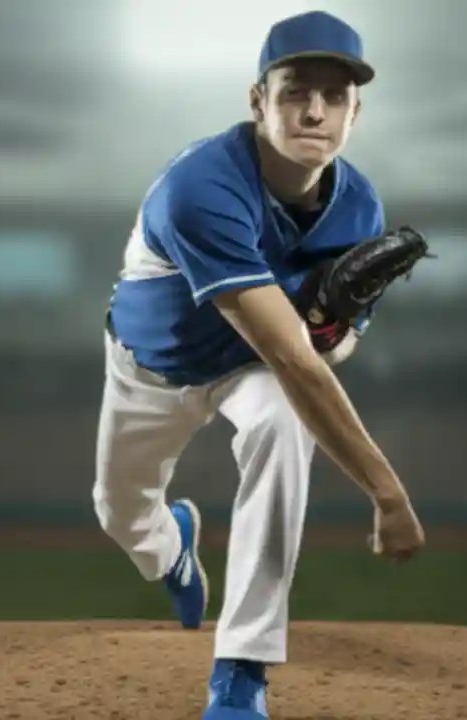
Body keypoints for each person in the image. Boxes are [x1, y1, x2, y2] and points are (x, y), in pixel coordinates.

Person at [93, 10, 425, 719]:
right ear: (257, 100)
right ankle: (171, 546)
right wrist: (388, 494)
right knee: (119, 512)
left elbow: (328, 350)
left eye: (335, 96)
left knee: (283, 425)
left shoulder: (359, 209)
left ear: (355, 111)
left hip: (252, 369)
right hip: (153, 367)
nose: (315, 110)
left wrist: (333, 326)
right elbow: (295, 355)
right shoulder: (202, 188)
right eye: (296, 90)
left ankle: (242, 670)